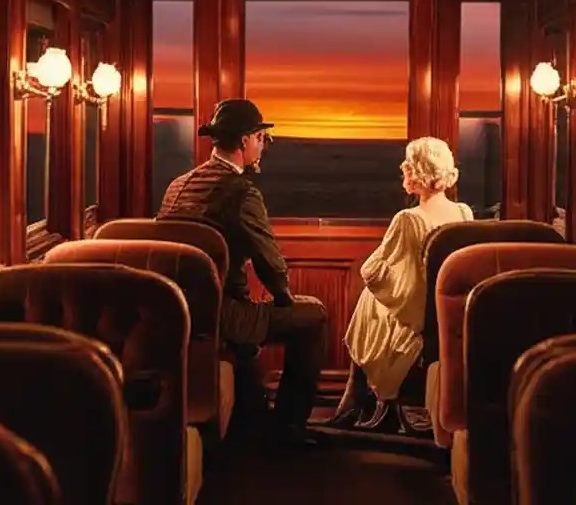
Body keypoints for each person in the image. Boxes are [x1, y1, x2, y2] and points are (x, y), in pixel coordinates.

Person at [157, 98, 328, 446]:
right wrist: (284, 299)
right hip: (222, 313)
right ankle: (288, 427)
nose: (262, 146)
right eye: (261, 139)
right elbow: (271, 264)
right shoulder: (241, 192)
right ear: (245, 141)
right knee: (313, 317)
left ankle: (251, 413)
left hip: (173, 307)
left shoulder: (178, 186)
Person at [330, 137, 473, 432]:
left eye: (408, 165)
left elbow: (378, 271)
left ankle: (358, 396)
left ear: (418, 171)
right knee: (371, 301)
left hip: (415, 310)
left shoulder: (408, 219)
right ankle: (360, 398)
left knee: (368, 300)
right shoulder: (463, 213)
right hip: (444, 308)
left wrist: (370, 275)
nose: (403, 169)